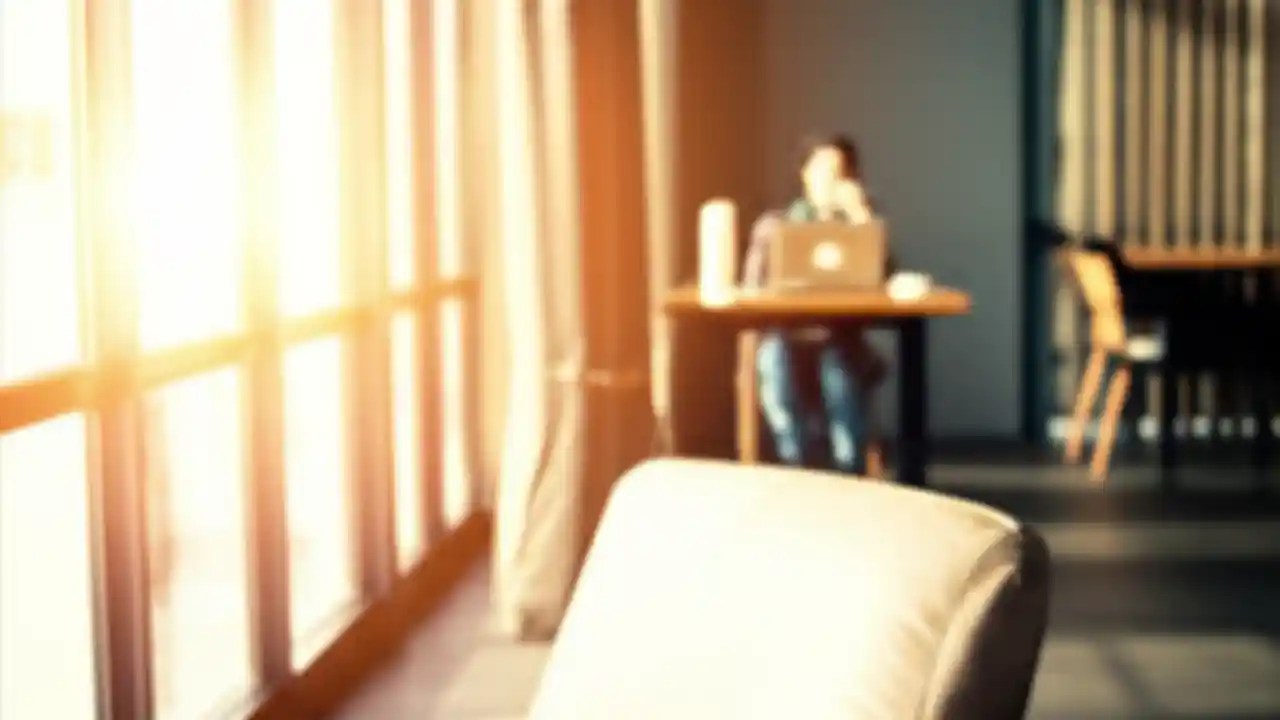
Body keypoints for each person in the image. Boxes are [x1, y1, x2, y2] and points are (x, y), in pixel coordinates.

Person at [741, 134, 888, 475]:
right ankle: (793, 464)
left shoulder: (858, 225)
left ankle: (849, 470)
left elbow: (885, 279)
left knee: (839, 372)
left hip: (840, 337)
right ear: (805, 174)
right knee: (774, 360)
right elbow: (751, 285)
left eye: (839, 173)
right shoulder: (777, 224)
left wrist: (860, 215)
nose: (829, 180)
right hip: (785, 333)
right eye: (821, 170)